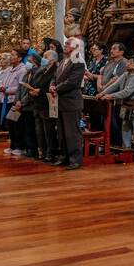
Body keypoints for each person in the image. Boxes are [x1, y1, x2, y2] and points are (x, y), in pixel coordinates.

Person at [101, 55, 134, 161]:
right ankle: (126, 149)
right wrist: (103, 93)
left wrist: (111, 96)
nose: (127, 64)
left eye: (131, 63)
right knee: (125, 128)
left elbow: (127, 91)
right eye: (128, 62)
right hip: (126, 105)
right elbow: (115, 85)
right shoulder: (126, 74)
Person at [49, 37, 87, 170]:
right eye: (65, 44)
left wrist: (57, 88)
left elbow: (72, 81)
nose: (65, 46)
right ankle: (64, 156)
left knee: (72, 133)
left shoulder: (79, 62)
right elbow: (55, 77)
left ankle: (75, 159)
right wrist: (52, 85)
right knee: (62, 132)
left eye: (68, 44)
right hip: (60, 101)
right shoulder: (64, 60)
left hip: (71, 101)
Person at [23, 48, 58, 161]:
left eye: (46, 57)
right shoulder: (41, 70)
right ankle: (42, 152)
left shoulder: (55, 71)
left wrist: (40, 91)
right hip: (37, 104)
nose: (43, 59)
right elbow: (34, 83)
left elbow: (51, 87)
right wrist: (32, 90)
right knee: (39, 130)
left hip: (47, 104)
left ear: (53, 60)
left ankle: (51, 153)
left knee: (48, 130)